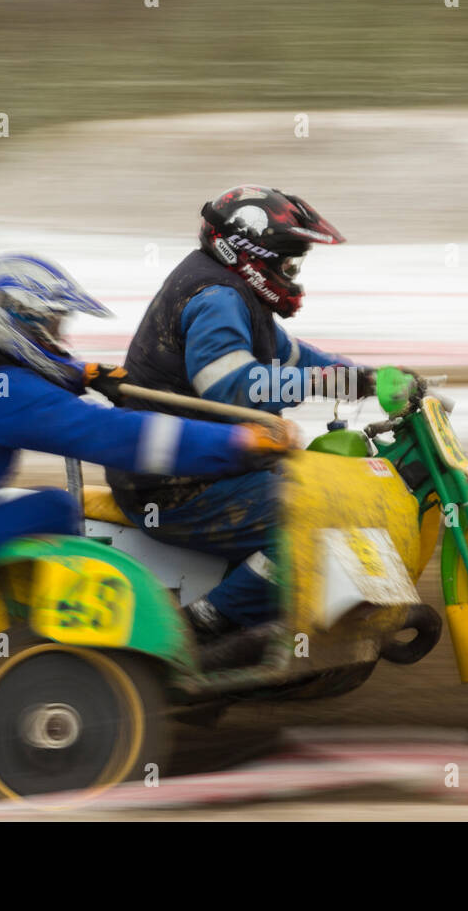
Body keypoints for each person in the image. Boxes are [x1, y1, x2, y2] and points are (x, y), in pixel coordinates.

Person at [0, 253, 292, 607]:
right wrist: (236, 442)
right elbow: (120, 438)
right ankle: (87, 633)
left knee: (50, 505)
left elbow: (28, 384)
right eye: (52, 327)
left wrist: (80, 372)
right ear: (19, 323)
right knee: (57, 508)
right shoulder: (2, 392)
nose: (60, 340)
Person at [106, 185, 375, 641]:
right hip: (173, 483)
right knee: (320, 519)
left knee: (329, 492)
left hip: (204, 465)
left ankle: (277, 626)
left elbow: (293, 357)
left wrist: (362, 378)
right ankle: (204, 627)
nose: (293, 273)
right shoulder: (215, 296)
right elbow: (232, 388)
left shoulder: (234, 290)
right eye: (289, 261)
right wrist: (325, 383)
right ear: (254, 253)